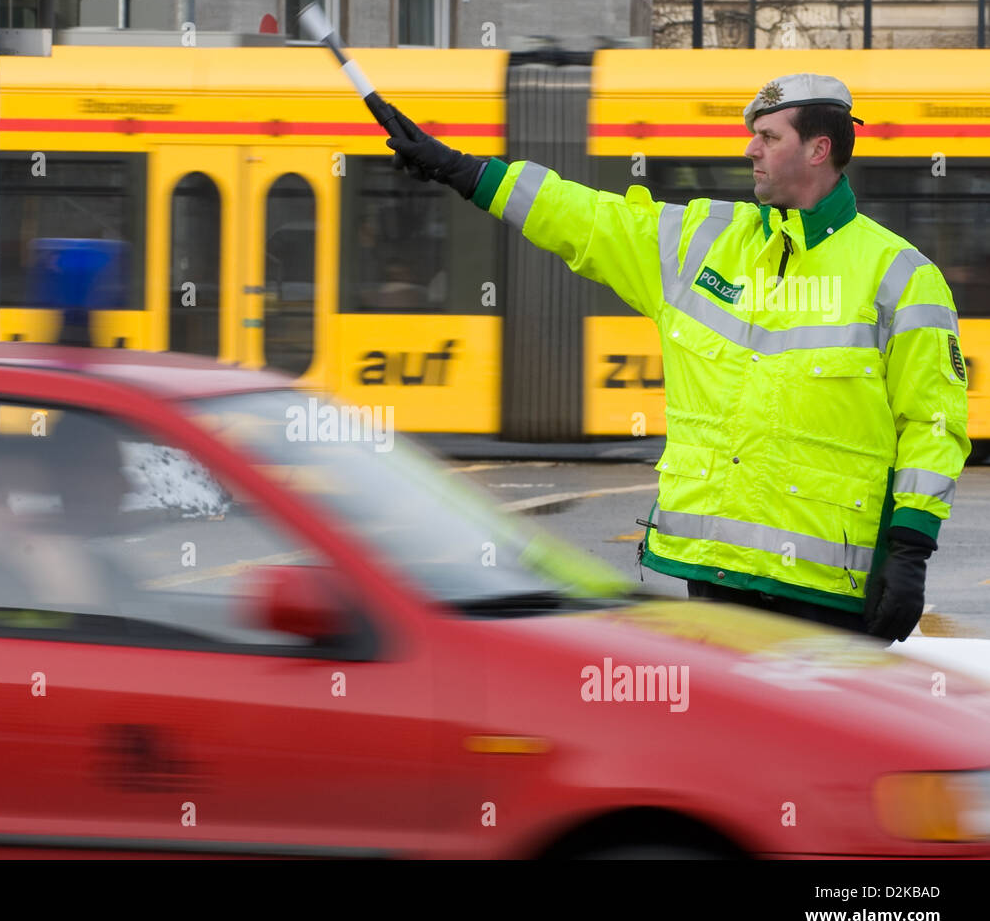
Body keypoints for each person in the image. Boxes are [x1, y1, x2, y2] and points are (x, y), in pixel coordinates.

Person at [385, 73, 970, 643]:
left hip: (831, 590)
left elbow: (932, 424)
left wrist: (910, 551)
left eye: (768, 137)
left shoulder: (901, 276)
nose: (750, 149)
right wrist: (463, 171)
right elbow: (584, 217)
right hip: (715, 579)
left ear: (820, 149)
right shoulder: (699, 241)